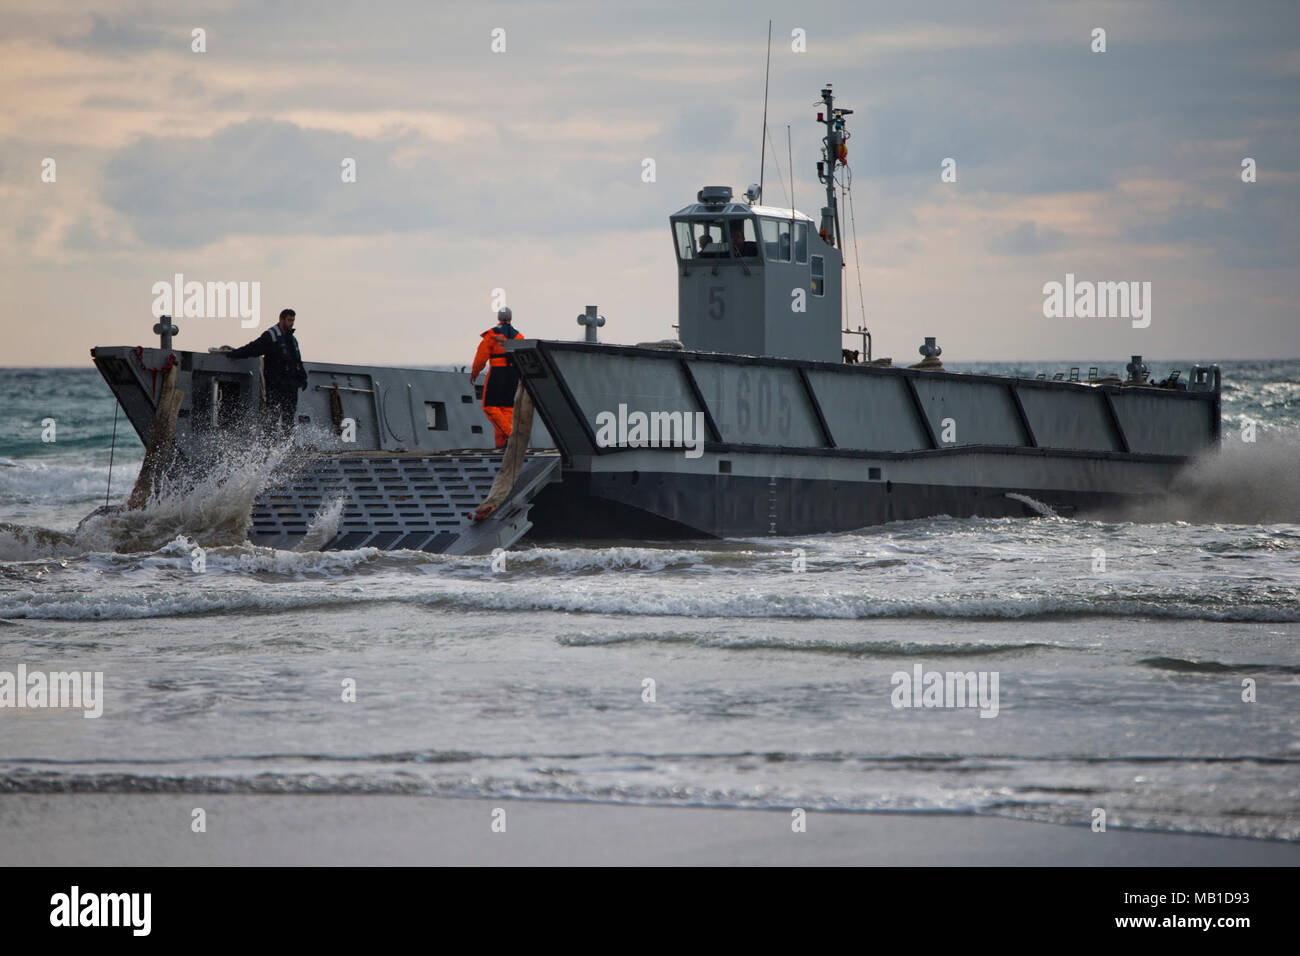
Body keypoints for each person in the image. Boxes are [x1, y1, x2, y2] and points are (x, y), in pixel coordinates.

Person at [229, 308, 308, 436]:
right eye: (289, 320)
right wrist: (235, 354)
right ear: (281, 319)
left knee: (289, 418)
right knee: (272, 417)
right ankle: (268, 446)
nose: (291, 324)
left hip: (291, 386)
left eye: (293, 321)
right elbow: (253, 348)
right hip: (276, 385)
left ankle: (287, 445)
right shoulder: (271, 337)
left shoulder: (292, 340)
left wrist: (303, 378)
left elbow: (297, 361)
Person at [471, 307, 523, 448]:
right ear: (511, 318)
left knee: (489, 407)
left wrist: (475, 372)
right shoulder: (519, 336)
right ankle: (503, 444)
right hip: (513, 373)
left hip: (497, 372)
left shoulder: (492, 335)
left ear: (499, 318)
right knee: (506, 408)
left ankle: (511, 434)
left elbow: (481, 357)